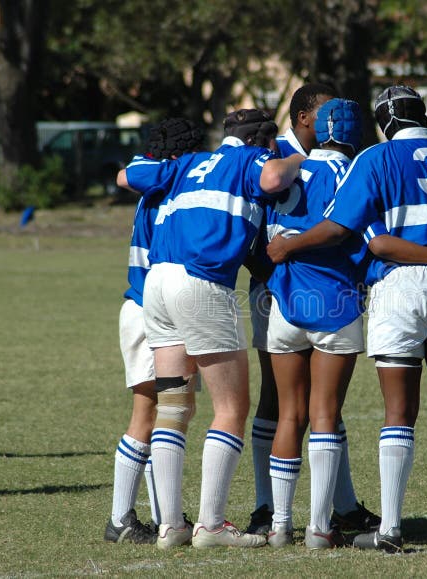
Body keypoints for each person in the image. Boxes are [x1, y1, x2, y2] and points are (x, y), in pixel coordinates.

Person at [267, 85, 427, 553]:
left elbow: (351, 232)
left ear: (385, 121)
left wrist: (287, 244)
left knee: (398, 413)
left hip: (401, 284)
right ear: (424, 115)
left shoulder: (375, 158)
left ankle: (389, 529)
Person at [117, 109, 305, 549]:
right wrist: (298, 161)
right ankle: (211, 525)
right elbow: (275, 179)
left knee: (174, 407)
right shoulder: (252, 161)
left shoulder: (187, 162)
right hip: (202, 283)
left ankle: (170, 526)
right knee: (231, 408)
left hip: (158, 283)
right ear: (263, 141)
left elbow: (129, 176)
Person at [247, 82, 380, 537]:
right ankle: (319, 527)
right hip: (333, 299)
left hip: (282, 298)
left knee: (290, 413)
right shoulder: (355, 168)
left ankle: (280, 522)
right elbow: (359, 234)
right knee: (323, 415)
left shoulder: (283, 165)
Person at [105, 118, 205, 544]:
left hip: (151, 310)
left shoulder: (157, 185)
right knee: (150, 414)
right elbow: (127, 173)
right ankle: (121, 519)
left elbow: (131, 172)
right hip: (151, 312)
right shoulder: (168, 188)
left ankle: (164, 513)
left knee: (172, 412)